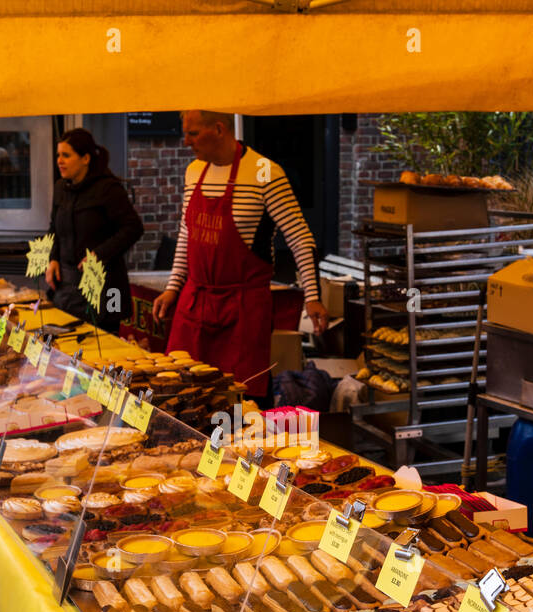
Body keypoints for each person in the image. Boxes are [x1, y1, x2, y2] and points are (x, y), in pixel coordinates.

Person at [153, 110, 328, 397]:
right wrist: (173, 288)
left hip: (243, 308)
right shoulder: (194, 171)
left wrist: (312, 297)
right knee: (180, 391)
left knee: (240, 400)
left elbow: (300, 238)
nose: (186, 141)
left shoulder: (265, 173)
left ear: (219, 129)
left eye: (193, 133)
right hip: (195, 301)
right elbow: (187, 233)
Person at [47, 128, 143, 331]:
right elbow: (54, 227)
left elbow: (133, 228)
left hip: (105, 286)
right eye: (58, 155)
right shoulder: (60, 188)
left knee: (102, 351)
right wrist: (53, 258)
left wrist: (100, 254)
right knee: (65, 353)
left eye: (66, 155)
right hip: (67, 287)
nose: (59, 161)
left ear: (85, 159)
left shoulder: (108, 189)